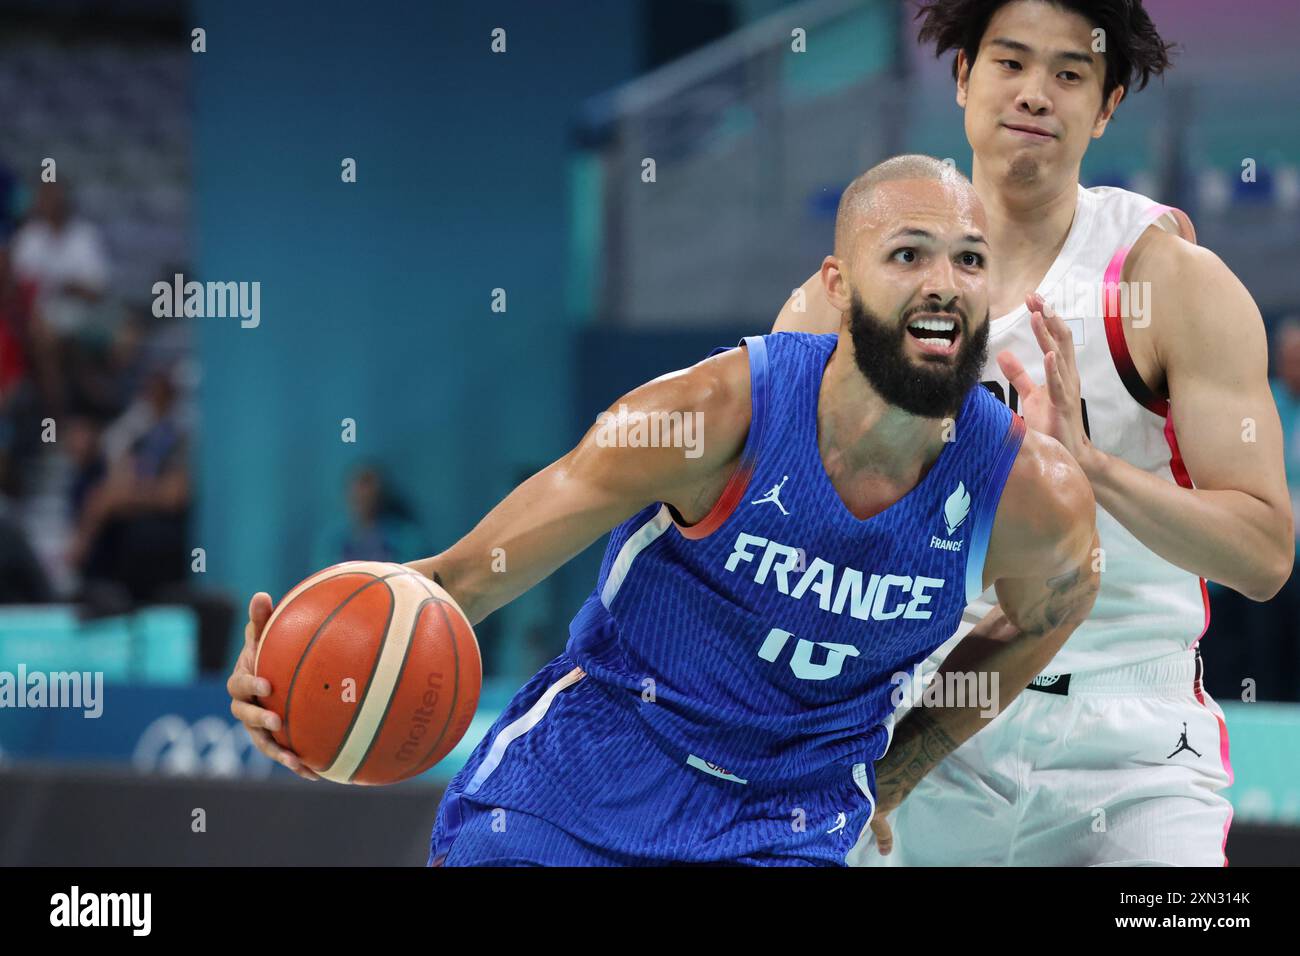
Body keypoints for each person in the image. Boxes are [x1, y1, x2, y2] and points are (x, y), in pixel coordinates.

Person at [228, 155, 1100, 866]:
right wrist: (296, 674)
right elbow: (458, 581)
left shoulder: (1032, 496)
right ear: (838, 285)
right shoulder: (705, 420)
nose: (944, 283)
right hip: (579, 783)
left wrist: (901, 765)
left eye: (970, 260)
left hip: (784, 824)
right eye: (908, 255)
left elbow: (1058, 602)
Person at [775, 0, 1293, 865]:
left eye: (1070, 73)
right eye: (1010, 63)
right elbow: (765, 501)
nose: (1036, 94)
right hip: (922, 722)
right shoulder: (855, 290)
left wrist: (1093, 471)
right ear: (963, 77)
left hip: (1131, 745)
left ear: (1109, 103)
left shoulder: (1171, 285)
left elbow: (1266, 554)